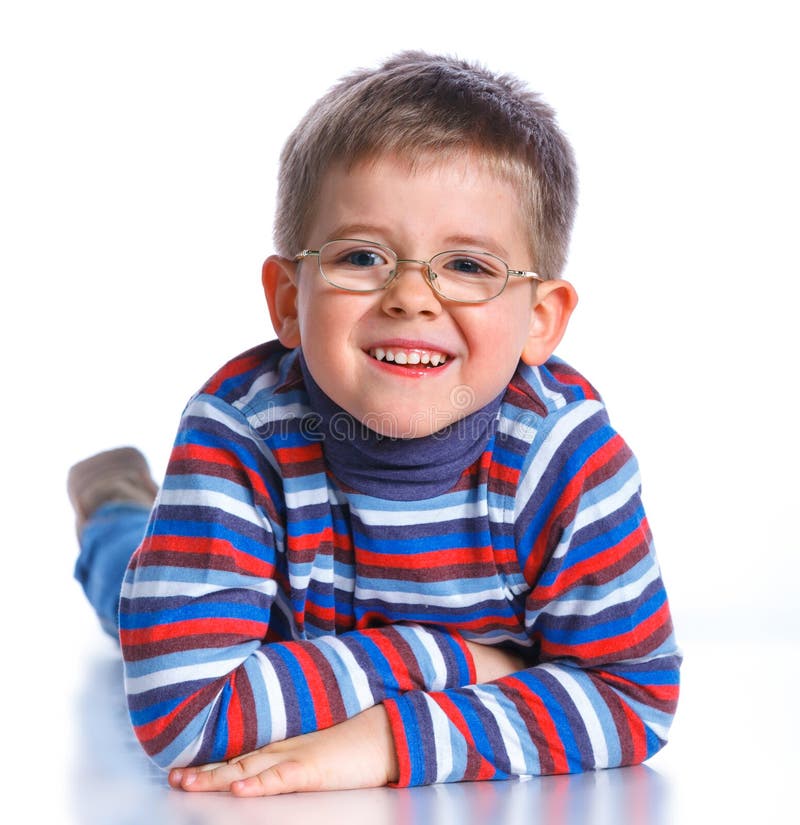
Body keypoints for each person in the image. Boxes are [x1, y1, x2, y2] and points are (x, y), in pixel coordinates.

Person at [67, 51, 681, 797]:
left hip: (297, 674)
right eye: (363, 256)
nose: (411, 297)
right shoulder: (241, 435)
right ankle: (116, 510)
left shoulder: (565, 460)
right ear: (288, 300)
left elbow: (634, 697)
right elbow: (183, 712)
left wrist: (390, 741)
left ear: (540, 320)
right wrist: (468, 663)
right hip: (262, 620)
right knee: (133, 588)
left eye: (468, 266)